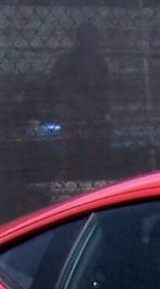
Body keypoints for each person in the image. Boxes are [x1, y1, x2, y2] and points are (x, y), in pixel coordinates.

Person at [49, 24, 112, 179]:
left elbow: (106, 88)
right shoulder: (66, 61)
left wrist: (101, 108)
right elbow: (57, 86)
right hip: (74, 115)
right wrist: (76, 101)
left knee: (97, 156)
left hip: (95, 115)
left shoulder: (100, 62)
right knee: (73, 156)